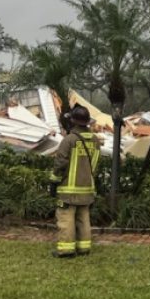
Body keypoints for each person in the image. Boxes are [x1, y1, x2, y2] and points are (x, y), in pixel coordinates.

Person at [48, 105, 100, 258]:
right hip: (87, 188)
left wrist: (53, 182)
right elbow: (96, 167)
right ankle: (84, 248)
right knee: (83, 218)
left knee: (66, 218)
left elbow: (60, 164)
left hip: (68, 191)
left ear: (73, 122)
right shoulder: (96, 141)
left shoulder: (69, 140)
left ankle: (66, 250)